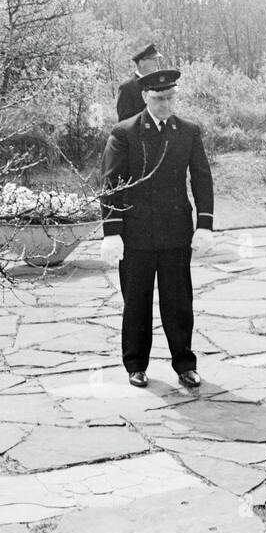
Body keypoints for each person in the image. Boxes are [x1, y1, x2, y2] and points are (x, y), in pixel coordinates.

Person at [100, 68, 215, 390]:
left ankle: (185, 364)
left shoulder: (188, 131)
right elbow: (111, 184)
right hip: (135, 234)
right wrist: (112, 231)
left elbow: (202, 178)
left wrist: (204, 224)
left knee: (178, 303)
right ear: (144, 97)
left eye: (170, 98)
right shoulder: (125, 133)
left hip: (175, 231)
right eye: (159, 98)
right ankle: (136, 364)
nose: (166, 104)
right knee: (136, 302)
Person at [116, 44, 162, 121]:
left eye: (157, 60)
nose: (157, 63)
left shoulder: (160, 84)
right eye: (154, 60)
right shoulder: (127, 87)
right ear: (141, 63)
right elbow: (124, 122)